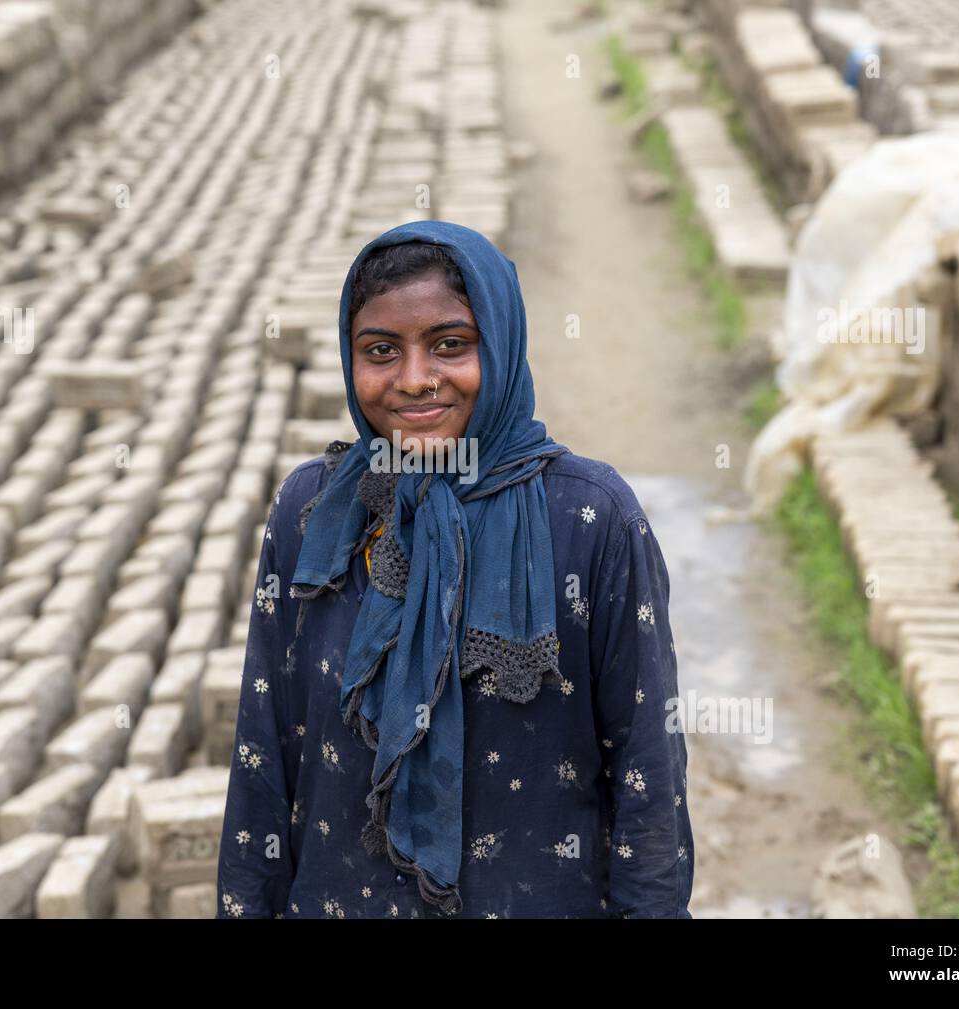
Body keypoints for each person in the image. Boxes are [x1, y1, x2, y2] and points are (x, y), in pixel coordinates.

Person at [216, 220, 693, 918]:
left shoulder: (590, 522)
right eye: (381, 351)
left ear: (498, 346)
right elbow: (265, 755)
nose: (414, 380)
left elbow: (647, 772)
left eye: (449, 345)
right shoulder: (314, 515)